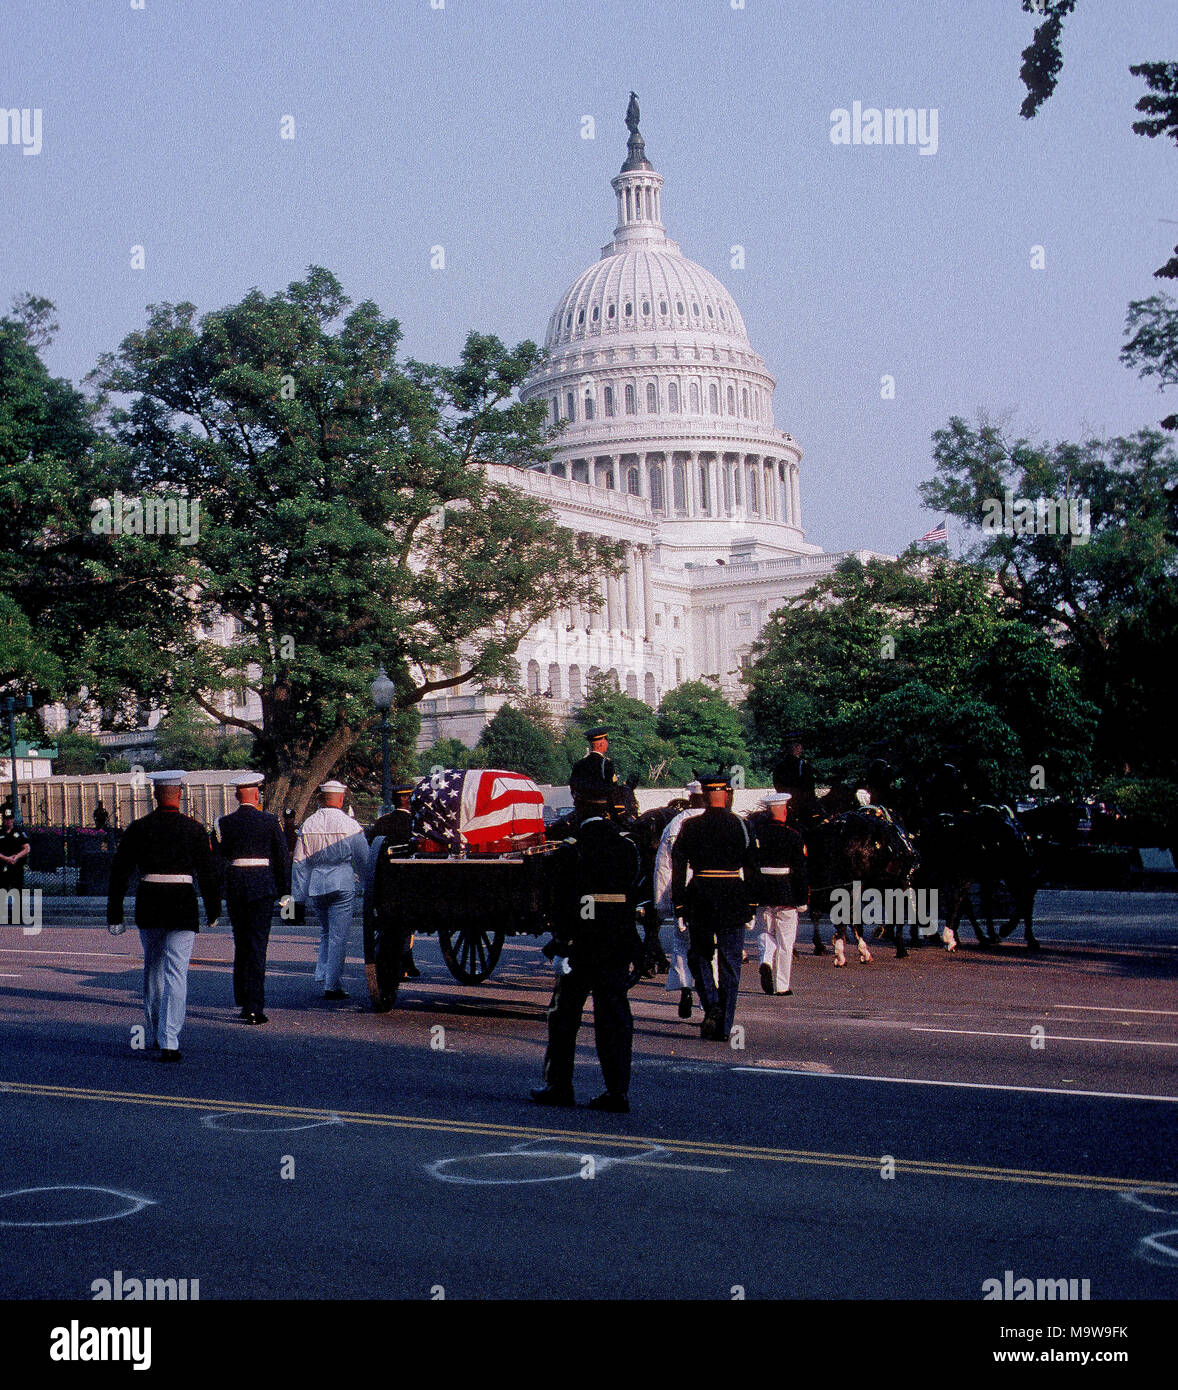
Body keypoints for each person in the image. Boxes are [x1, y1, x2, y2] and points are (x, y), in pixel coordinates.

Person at [530, 788, 641, 1113]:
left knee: (564, 1016)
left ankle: (559, 1085)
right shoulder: (627, 847)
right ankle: (617, 1091)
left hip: (581, 946)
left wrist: (562, 944)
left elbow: (564, 904)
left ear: (578, 807)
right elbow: (631, 898)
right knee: (615, 1019)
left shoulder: (571, 850)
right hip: (616, 943)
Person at [106, 771, 220, 1063]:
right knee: (177, 972)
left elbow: (120, 872)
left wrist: (115, 913)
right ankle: (171, 1039)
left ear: (155, 795)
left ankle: (155, 1031)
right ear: (180, 794)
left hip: (150, 901)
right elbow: (207, 872)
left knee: (153, 969)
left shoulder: (139, 828)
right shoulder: (194, 829)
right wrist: (213, 908)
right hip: (181, 903)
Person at [671, 772, 758, 1041]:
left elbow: (678, 867)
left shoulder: (690, 825)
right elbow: (752, 866)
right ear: (726, 794)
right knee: (730, 963)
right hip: (733, 896)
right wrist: (752, 903)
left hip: (700, 896)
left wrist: (680, 902)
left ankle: (712, 1005)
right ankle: (724, 1024)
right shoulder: (742, 825)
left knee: (699, 957)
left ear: (705, 796)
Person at [214, 772, 290, 1024]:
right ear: (257, 795)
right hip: (261, 886)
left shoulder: (224, 823)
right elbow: (281, 859)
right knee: (258, 946)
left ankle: (242, 995)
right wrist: (285, 892)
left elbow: (219, 860)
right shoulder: (270, 821)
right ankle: (254, 1006)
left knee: (241, 942)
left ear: (237, 795)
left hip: (236, 886)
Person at [291, 779, 370, 1000]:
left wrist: (297, 898)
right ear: (341, 799)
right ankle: (332, 983)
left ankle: (323, 973)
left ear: (321, 799)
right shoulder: (350, 825)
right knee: (338, 935)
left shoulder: (309, 824)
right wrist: (367, 887)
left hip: (317, 882)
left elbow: (299, 863)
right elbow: (363, 860)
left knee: (326, 931)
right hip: (342, 881)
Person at [653, 781, 708, 1020]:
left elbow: (663, 867)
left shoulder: (675, 824)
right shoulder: (718, 821)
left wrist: (661, 902)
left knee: (681, 943)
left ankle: (685, 988)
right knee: (709, 946)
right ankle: (709, 1001)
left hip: (681, 894)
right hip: (709, 892)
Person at [750, 792, 809, 996]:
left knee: (767, 931)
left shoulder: (757, 834)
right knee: (785, 942)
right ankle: (781, 985)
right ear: (784, 810)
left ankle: (766, 959)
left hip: (763, 892)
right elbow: (800, 871)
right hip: (786, 892)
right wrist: (802, 898)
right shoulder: (793, 834)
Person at [569, 726, 621, 814]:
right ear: (601, 744)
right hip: (602, 810)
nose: (607, 744)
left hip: (582, 811)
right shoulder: (606, 763)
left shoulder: (578, 764)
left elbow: (573, 788)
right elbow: (612, 788)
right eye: (606, 741)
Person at [0, 806, 31, 891]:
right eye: (6, 819)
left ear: (13, 819)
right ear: (3, 820)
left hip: (16, 867)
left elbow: (27, 848)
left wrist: (16, 857)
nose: (8, 821)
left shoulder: (19, 832)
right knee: (2, 892)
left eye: (10, 819)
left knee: (17, 892)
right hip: (2, 866)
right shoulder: (0, 833)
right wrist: (6, 858)